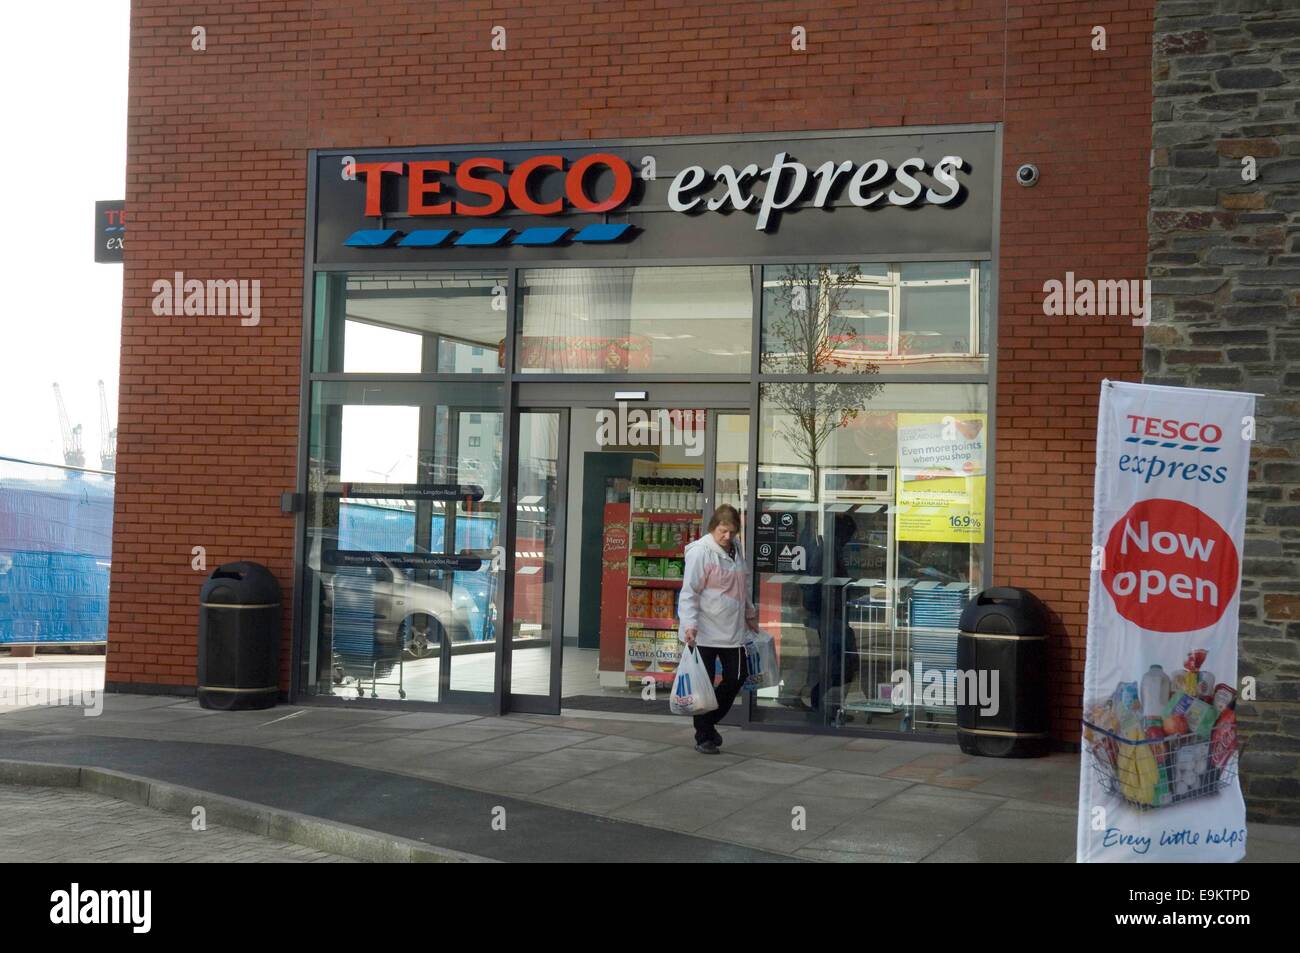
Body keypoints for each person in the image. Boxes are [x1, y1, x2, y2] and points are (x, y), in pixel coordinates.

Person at [677, 504, 756, 754]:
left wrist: (750, 613)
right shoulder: (701, 552)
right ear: (713, 528)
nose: (727, 537)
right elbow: (689, 593)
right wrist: (689, 625)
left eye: (732, 532)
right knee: (705, 685)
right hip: (705, 631)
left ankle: (708, 724)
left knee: (737, 677)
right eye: (723, 531)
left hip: (733, 630)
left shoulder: (736, 550)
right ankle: (704, 737)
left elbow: (743, 586)